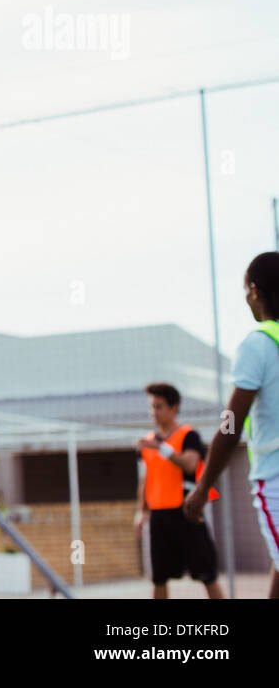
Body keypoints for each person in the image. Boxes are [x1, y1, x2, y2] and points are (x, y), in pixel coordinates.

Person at [185, 251, 279, 599]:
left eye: (244, 290)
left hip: (274, 478)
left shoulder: (259, 343)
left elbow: (229, 426)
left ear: (254, 291)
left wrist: (201, 488)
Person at [133, 381, 223, 598]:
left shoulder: (188, 435)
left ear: (174, 408)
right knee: (159, 578)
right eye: (151, 407)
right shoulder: (146, 442)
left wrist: (163, 449)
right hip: (159, 517)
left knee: (206, 574)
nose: (154, 412)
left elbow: (190, 464)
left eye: (159, 406)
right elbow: (146, 479)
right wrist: (141, 511)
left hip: (186, 513)